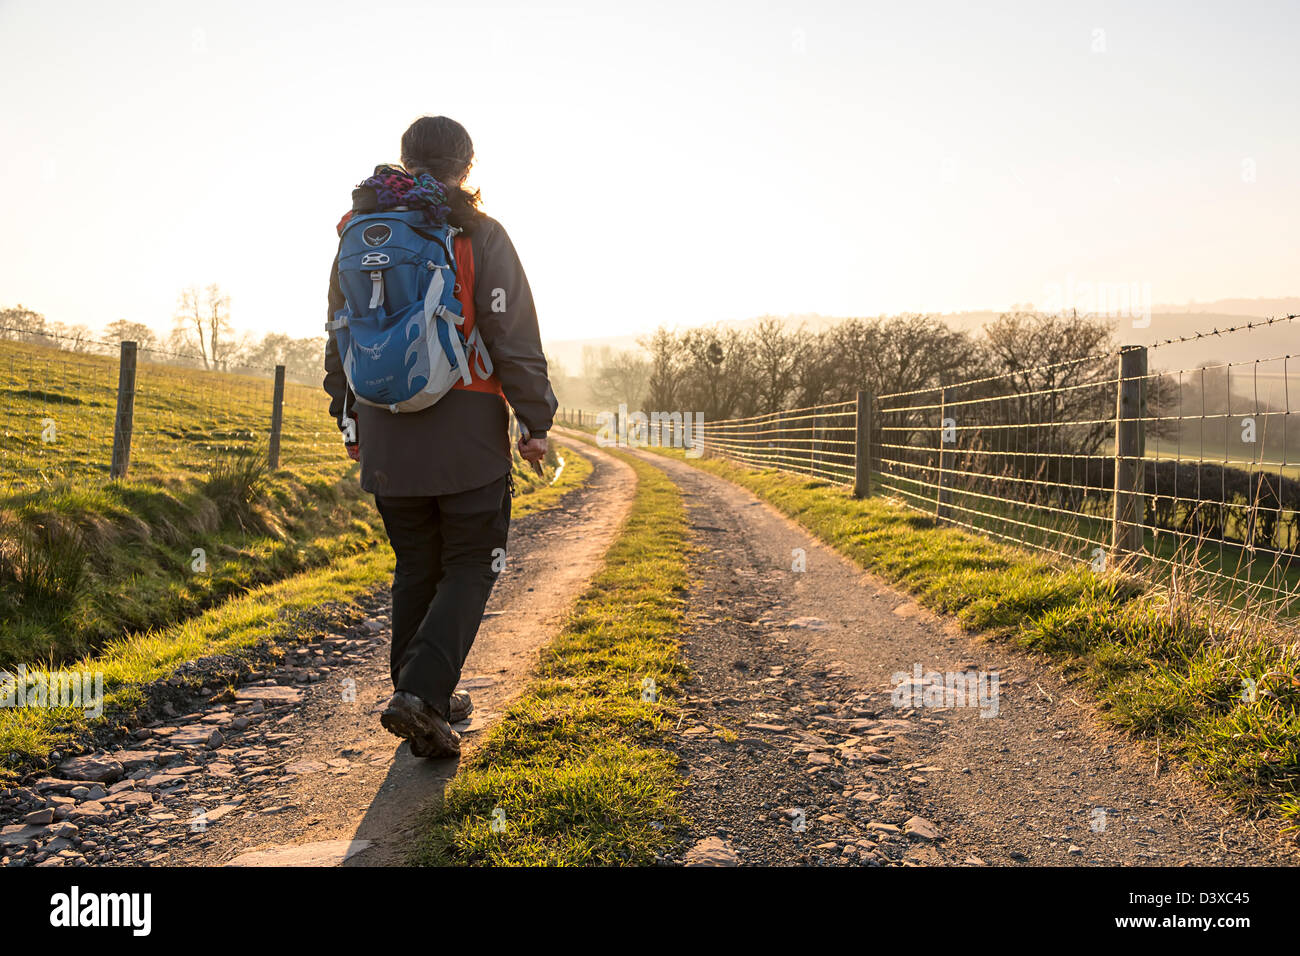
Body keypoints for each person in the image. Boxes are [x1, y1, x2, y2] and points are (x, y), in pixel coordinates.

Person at [323, 115, 557, 758]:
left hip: (384, 431)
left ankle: (424, 693)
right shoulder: (479, 233)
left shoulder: (358, 232)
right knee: (474, 561)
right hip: (465, 430)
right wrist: (535, 423)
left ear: (404, 160)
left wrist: (348, 419)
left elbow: (339, 335)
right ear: (468, 167)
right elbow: (514, 338)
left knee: (417, 564)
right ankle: (422, 694)